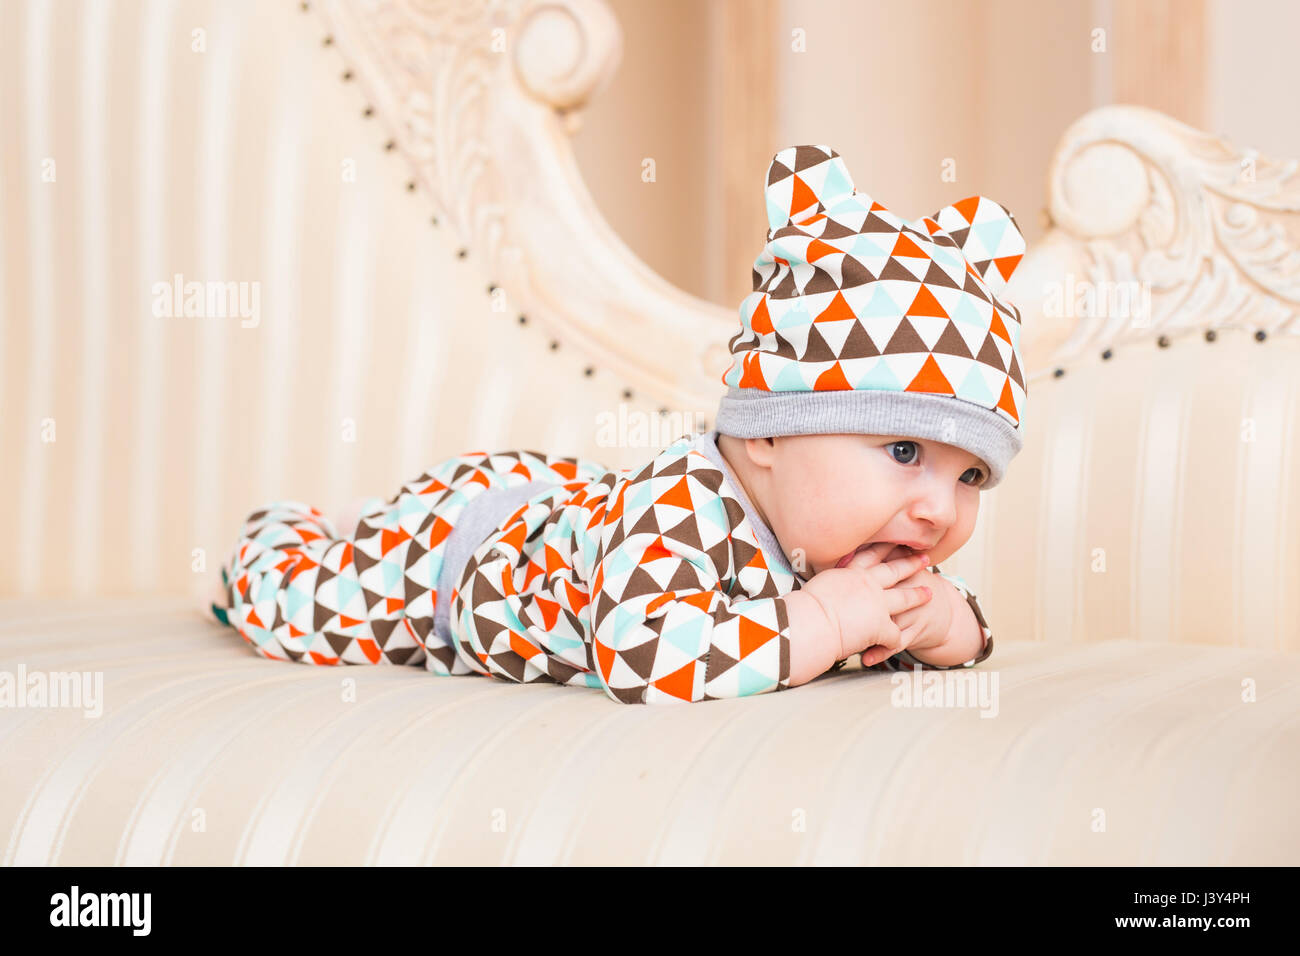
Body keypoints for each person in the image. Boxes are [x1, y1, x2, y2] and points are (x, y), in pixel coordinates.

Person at [209, 144, 1026, 705]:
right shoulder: (681, 508)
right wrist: (825, 620)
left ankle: (357, 522)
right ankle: (288, 535)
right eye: (906, 450)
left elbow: (962, 630)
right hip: (460, 562)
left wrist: (943, 623)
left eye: (968, 476)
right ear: (769, 434)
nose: (938, 509)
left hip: (566, 500)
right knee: (303, 607)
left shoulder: (854, 539)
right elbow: (645, 657)